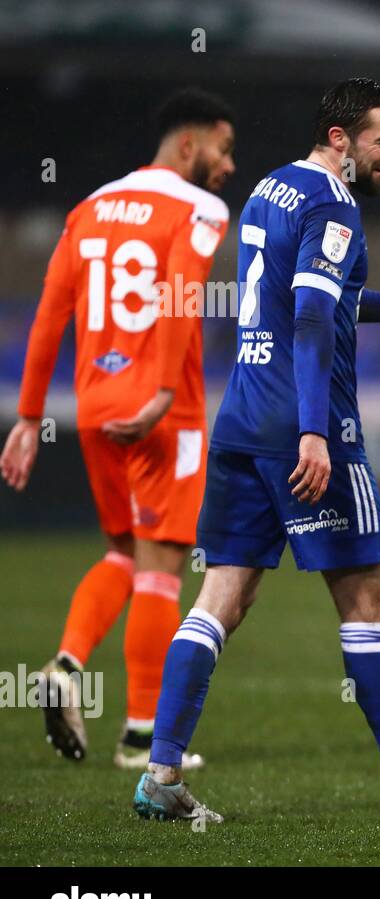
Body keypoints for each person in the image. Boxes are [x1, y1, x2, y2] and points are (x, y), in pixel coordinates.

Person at [131, 78, 380, 824]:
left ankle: (161, 774)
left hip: (239, 422)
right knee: (369, 603)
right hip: (310, 426)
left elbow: (315, 297)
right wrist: (313, 429)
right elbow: (309, 317)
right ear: (341, 139)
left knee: (219, 600)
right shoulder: (335, 204)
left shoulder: (271, 188)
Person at [2, 89, 236, 769]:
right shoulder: (200, 208)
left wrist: (27, 416)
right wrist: (164, 390)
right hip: (165, 412)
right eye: (222, 150)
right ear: (188, 144)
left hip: (96, 407)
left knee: (121, 556)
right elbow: (181, 292)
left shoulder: (89, 208)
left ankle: (68, 666)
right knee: (163, 572)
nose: (227, 166)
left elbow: (49, 312)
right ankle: (140, 737)